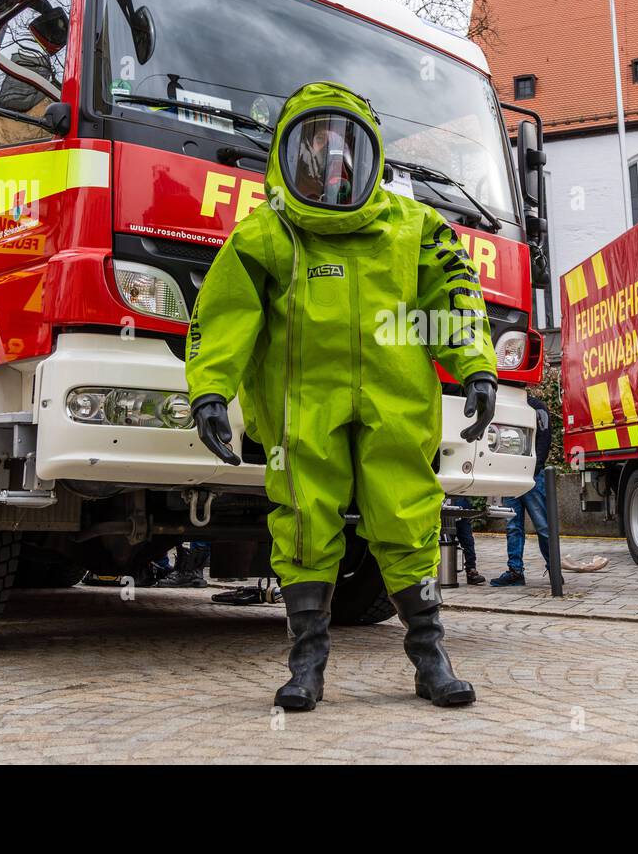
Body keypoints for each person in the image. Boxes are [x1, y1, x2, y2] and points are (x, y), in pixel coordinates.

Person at [185, 81, 498, 711]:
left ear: (368, 154)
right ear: (290, 153)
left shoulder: (415, 228)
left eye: (342, 144)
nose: (330, 160)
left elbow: (455, 296)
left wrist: (475, 367)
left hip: (395, 404)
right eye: (315, 143)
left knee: (406, 515)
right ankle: (307, 665)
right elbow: (224, 317)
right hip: (303, 409)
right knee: (303, 519)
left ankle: (429, 656)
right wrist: (210, 390)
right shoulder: (267, 234)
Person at [491, 392, 553, 586]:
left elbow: (545, 438)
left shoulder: (536, 407)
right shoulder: (509, 406)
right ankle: (516, 571)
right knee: (514, 526)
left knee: (541, 526)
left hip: (529, 474)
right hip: (513, 474)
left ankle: (552, 568)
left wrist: (535, 467)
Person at [445, 496, 485, 585]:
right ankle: (443, 572)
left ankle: (471, 571)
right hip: (445, 505)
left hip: (462, 506)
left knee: (468, 541)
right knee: (445, 543)